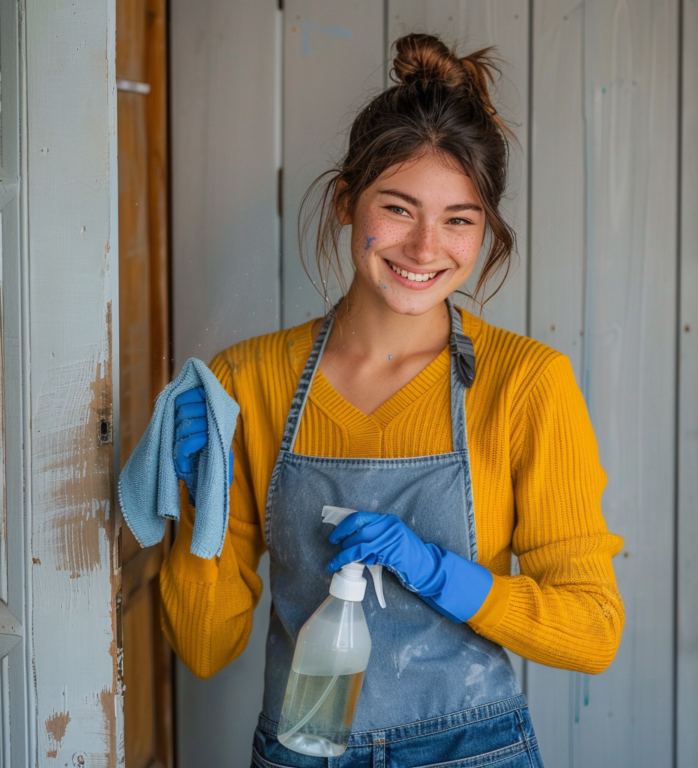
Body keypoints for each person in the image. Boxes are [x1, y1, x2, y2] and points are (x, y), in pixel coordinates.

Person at [162, 33, 624, 768]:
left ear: (486, 229)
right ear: (348, 200)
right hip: (298, 750)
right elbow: (206, 649)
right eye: (400, 209)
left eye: (459, 219)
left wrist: (441, 573)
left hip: (476, 751)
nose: (424, 248)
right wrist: (197, 508)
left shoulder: (525, 383)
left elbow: (594, 630)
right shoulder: (250, 380)